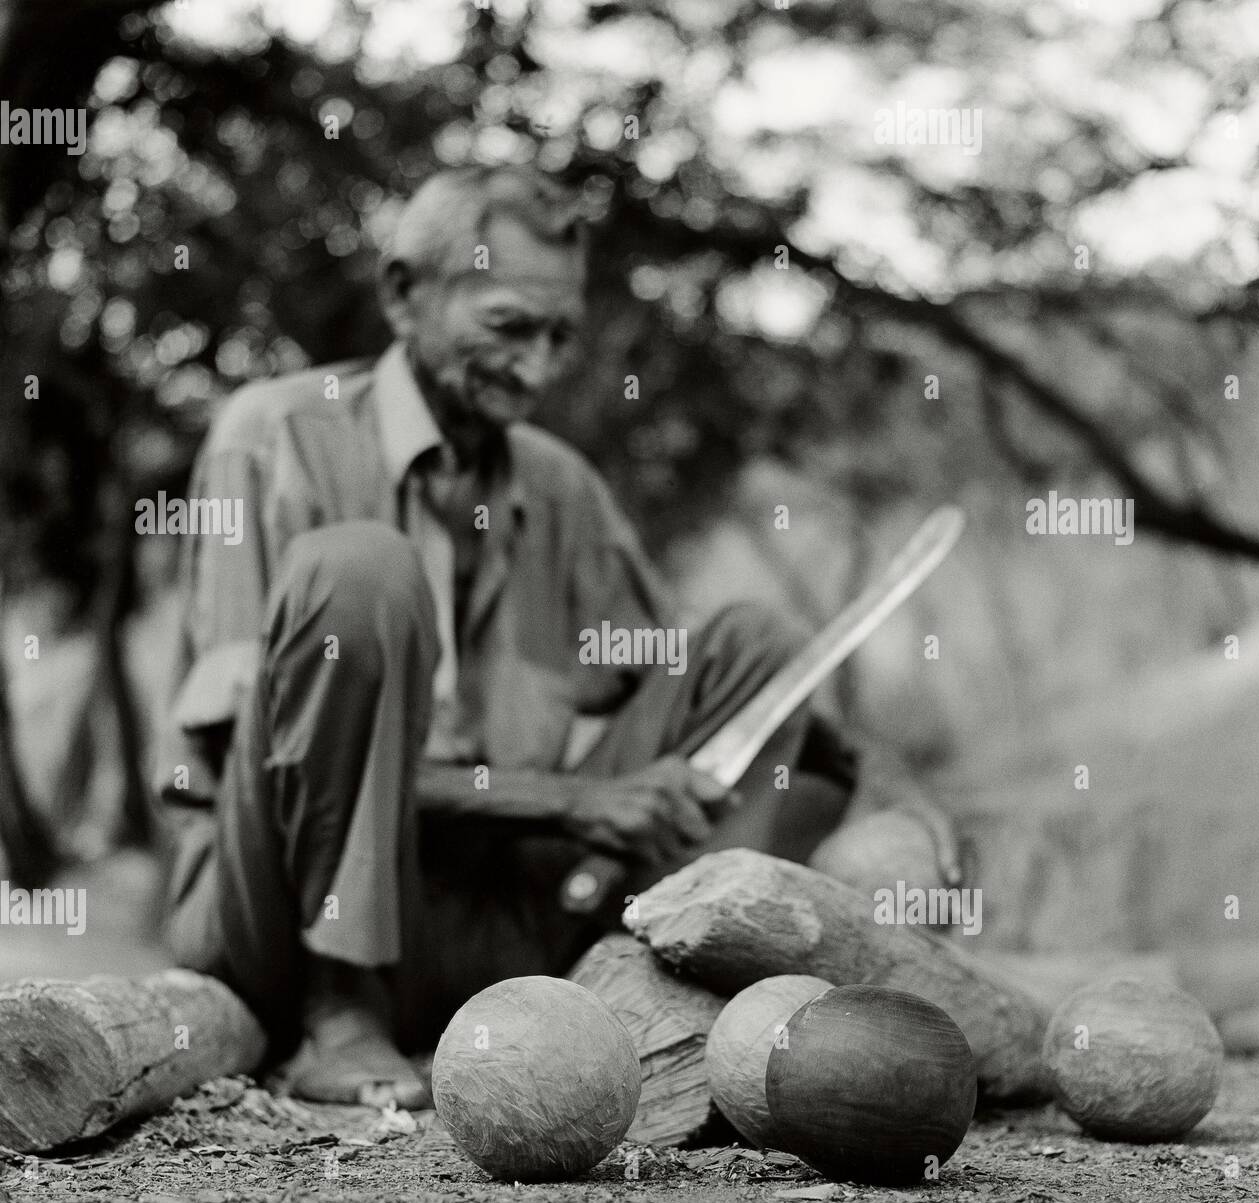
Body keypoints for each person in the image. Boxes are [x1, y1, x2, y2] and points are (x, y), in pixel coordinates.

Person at [156, 166, 955, 1109]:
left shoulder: (559, 485)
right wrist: (566, 801)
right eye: (507, 326)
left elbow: (691, 679)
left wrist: (898, 795)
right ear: (403, 294)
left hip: (485, 916)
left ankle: (677, 993)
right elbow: (263, 747)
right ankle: (342, 1012)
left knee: (756, 645)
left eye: (561, 337)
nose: (537, 369)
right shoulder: (274, 436)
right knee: (359, 572)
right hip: (286, 917)